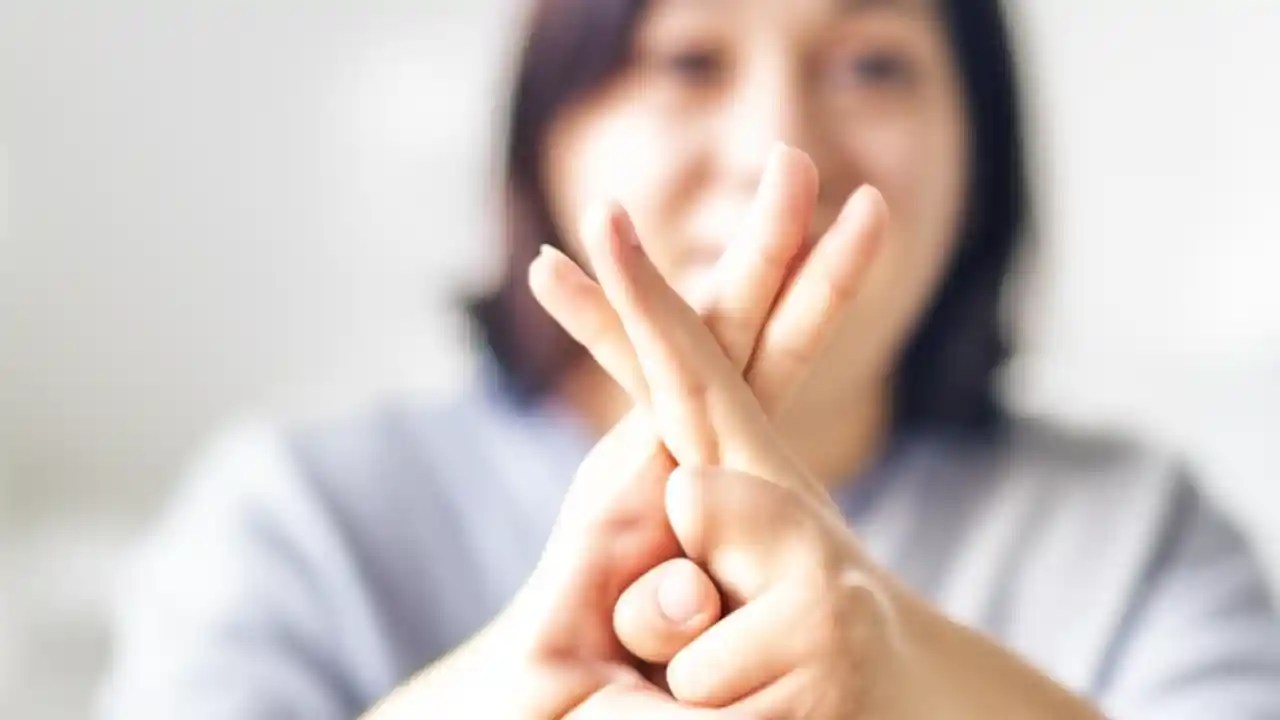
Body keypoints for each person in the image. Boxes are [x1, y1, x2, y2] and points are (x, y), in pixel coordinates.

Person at [99, 0, 1280, 717]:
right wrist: (509, 696)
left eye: (872, 63)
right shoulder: (299, 517)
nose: (777, 151)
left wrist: (905, 674)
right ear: (544, 131)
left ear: (981, 144)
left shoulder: (1138, 535)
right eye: (686, 60)